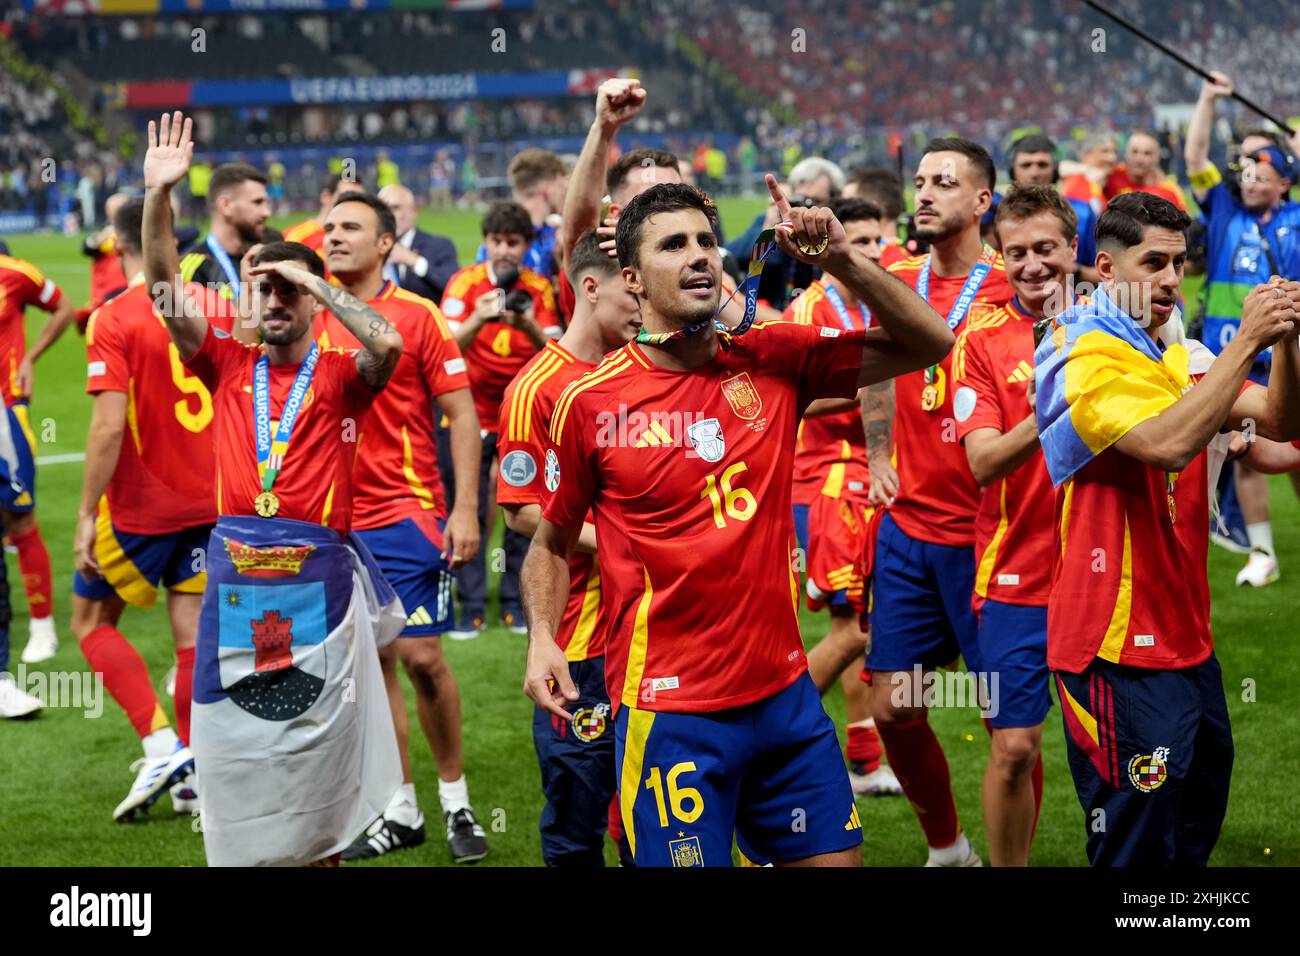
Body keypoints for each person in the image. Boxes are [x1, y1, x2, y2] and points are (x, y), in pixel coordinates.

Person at [522, 180, 954, 867]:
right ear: (631, 280)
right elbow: (548, 539)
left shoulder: (774, 357)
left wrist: (841, 258)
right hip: (670, 712)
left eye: (704, 241)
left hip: (785, 701)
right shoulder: (587, 400)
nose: (698, 256)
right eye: (673, 245)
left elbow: (930, 341)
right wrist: (543, 637)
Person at [142, 111, 405, 867]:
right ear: (245, 303)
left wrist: (314, 283)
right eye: (261, 289)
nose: (273, 302)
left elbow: (385, 341)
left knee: (310, 760)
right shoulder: (224, 361)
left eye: (285, 291)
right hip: (242, 584)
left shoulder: (335, 375)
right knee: (248, 744)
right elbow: (162, 287)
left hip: (315, 586)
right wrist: (160, 195)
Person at [1035, 191, 1300, 866]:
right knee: (1134, 847)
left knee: (1192, 826)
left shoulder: (1175, 348)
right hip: (1112, 647)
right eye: (1153, 263)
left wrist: (1287, 342)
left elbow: (1277, 421)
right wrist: (1246, 339)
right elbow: (1166, 443)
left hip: (1185, 638)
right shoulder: (1077, 347)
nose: (1171, 280)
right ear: (1104, 268)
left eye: (1180, 263)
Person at [314, 192, 488, 865]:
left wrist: (466, 509)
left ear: (386, 243)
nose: (334, 237)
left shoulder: (417, 316)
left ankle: (457, 799)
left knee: (422, 660)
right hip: (328, 521)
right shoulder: (305, 312)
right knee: (371, 665)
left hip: (402, 515)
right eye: (328, 227)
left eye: (350, 227)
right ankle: (401, 807)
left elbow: (462, 416)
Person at [862, 137, 1012, 867]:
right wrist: (878, 450)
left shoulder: (1015, 286)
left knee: (1002, 728)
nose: (923, 194)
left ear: (983, 201)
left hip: (992, 538)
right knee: (895, 707)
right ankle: (948, 849)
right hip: (909, 532)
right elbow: (870, 369)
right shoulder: (896, 275)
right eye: (918, 181)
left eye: (944, 183)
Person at [72, 197, 223, 821]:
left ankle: (161, 745)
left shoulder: (113, 316)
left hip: (139, 508)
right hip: (209, 500)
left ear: (116, 239)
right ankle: (194, 774)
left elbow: (108, 429)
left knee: (89, 622)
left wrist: (85, 512)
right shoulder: (215, 305)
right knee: (189, 636)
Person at [497, 230, 641, 866]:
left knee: (653, 812)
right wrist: (622, 543)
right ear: (590, 287)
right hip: (580, 645)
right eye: (630, 287)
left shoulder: (639, 370)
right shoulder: (538, 387)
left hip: (647, 632)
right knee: (575, 821)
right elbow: (523, 511)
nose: (642, 302)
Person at [952, 185, 1079, 865]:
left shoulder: (1114, 324)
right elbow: (983, 461)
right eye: (1017, 252)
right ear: (999, 256)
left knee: (1119, 753)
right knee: (1014, 747)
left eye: (1046, 249)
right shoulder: (980, 341)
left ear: (1073, 249)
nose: (1032, 265)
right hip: (1015, 577)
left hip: (1105, 568)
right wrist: (1053, 410)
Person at [786, 196, 901, 798]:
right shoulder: (809, 313)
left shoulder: (886, 298)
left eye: (875, 240)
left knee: (863, 624)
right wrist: (871, 384)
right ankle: (773, 731)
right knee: (851, 631)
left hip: (865, 479)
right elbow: (790, 398)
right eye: (853, 241)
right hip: (830, 480)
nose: (867, 253)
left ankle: (862, 755)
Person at [1185, 70, 1300, 588]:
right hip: (1230, 357)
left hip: (1288, 352)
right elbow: (1194, 162)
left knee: (1296, 454)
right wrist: (1208, 99)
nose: (1249, 177)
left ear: (1284, 181)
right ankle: (1261, 552)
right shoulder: (1224, 207)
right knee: (1246, 450)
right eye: (1246, 169)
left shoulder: (1296, 217)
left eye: (1262, 169)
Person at [440, 202, 561, 638]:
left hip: (520, 417)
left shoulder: (537, 289)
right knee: (465, 503)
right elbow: (445, 347)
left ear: (527, 246)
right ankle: (470, 604)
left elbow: (557, 348)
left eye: (514, 242)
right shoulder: (464, 284)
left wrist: (526, 324)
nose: (505, 250)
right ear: (486, 243)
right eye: (497, 241)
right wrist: (479, 316)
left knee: (521, 506)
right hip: (468, 414)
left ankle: (513, 600)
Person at [0, 250, 76, 664]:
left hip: (7, 413)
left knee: (19, 518)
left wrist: (30, 358)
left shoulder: (14, 274)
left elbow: (63, 306)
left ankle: (42, 626)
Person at [1005, 133, 1100, 286]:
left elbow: (1105, 274)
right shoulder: (1000, 216)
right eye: (1026, 165)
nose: (1034, 173)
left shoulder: (1083, 213)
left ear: (1055, 170)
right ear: (1012, 171)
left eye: (1042, 165)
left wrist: (1074, 270)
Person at [177, 162, 270, 297]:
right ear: (226, 205)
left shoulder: (263, 261)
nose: (266, 212)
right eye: (257, 202)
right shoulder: (193, 270)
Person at [475, 149, 567, 278]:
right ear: (548, 188)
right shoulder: (508, 242)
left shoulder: (550, 231)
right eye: (562, 184)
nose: (565, 190)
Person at [377, 184, 459, 303]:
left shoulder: (439, 246)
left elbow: (455, 287)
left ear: (414, 211)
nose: (389, 215)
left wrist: (415, 262)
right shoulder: (371, 248)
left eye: (395, 208)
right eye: (383, 209)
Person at [283, 171, 362, 258]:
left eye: (359, 200)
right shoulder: (298, 238)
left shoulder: (358, 240)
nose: (353, 205)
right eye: (346, 197)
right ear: (326, 197)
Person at [1105, 131, 1188, 210]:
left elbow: (1183, 222)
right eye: (1134, 151)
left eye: (1147, 153)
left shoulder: (1169, 192)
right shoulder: (1110, 175)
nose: (1139, 159)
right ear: (1126, 154)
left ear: (1157, 158)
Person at [843, 167, 908, 267]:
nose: (840, 209)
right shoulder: (909, 259)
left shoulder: (869, 264)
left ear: (872, 207)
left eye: (849, 204)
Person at [1060, 131, 1118, 217]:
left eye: (1114, 152)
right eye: (1105, 151)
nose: (1112, 158)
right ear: (1086, 154)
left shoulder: (1113, 176)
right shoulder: (1076, 184)